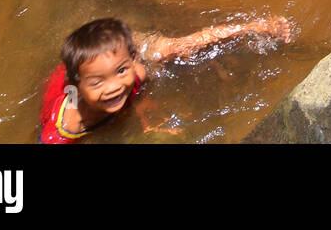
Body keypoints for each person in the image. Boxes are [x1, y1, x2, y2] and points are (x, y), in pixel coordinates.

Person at [38, 15, 293, 143]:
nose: (114, 87)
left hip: (108, 55)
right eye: (97, 83)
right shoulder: (62, 132)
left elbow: (134, 89)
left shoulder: (135, 74)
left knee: (178, 49)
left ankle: (253, 26)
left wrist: (147, 118)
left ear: (131, 62)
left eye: (121, 72)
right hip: (82, 68)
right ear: (78, 88)